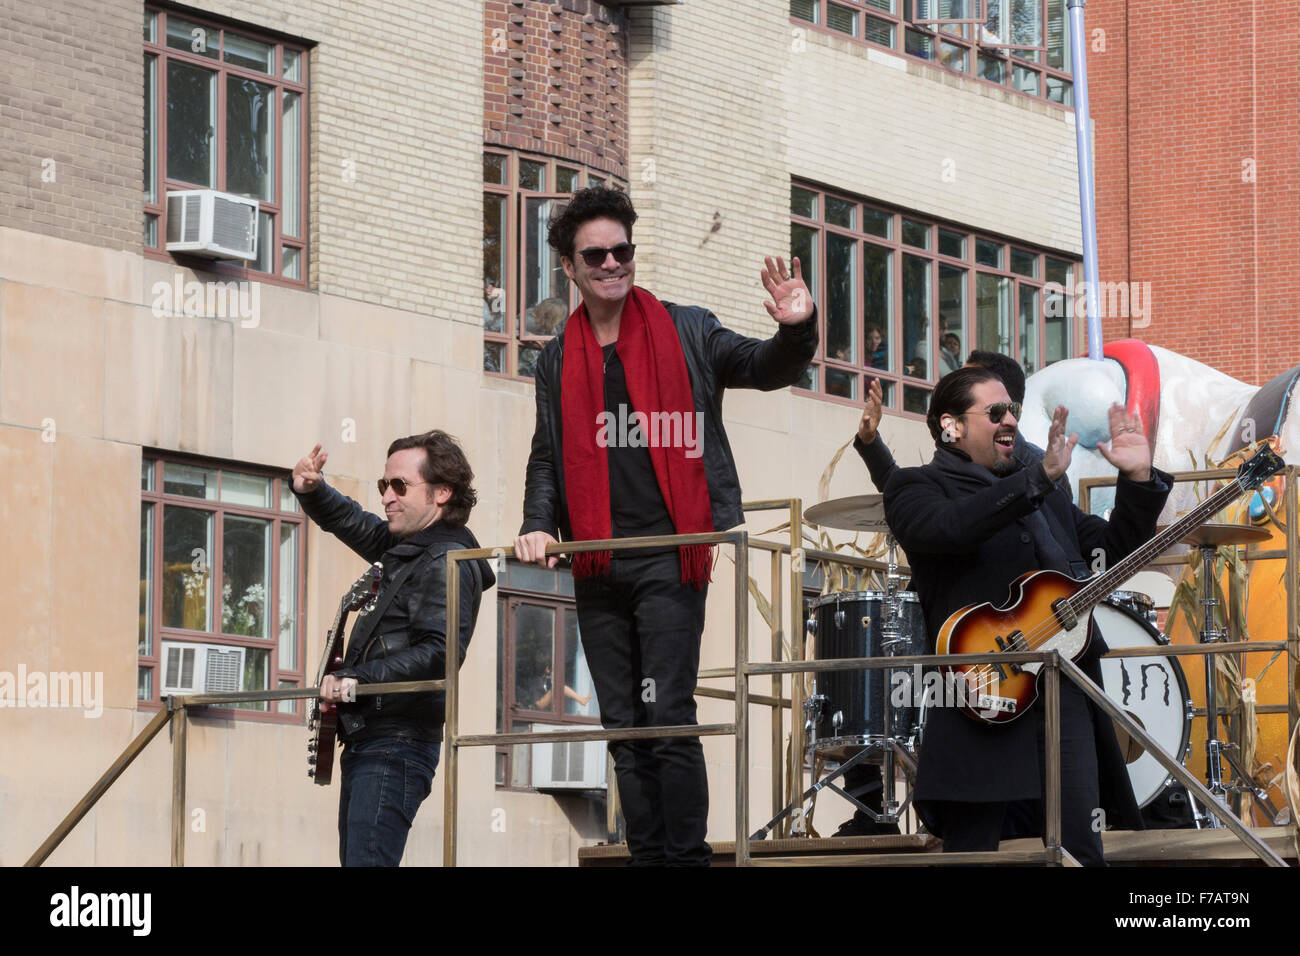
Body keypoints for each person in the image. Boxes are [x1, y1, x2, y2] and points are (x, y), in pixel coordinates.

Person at [513, 185, 817, 865]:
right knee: (622, 725)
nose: (613, 263)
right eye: (597, 254)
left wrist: (796, 328)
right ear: (569, 265)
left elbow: (764, 368)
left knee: (667, 715)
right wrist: (537, 524)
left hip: (672, 556)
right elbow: (547, 453)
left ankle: (686, 859)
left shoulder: (687, 329)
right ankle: (648, 856)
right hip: (598, 560)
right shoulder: (558, 357)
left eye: (623, 250)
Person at [881, 367, 1172, 864]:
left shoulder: (1042, 494)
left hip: (1062, 694)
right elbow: (950, 529)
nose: (1009, 419)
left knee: (1079, 848)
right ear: (950, 425)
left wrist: (1137, 478)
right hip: (980, 696)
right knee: (974, 852)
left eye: (1013, 409)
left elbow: (1108, 554)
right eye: (995, 412)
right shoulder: (915, 487)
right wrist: (1036, 480)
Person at [293, 430, 496, 866]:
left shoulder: (445, 561)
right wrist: (313, 491)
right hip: (376, 739)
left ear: (442, 493)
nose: (387, 496)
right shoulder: (413, 549)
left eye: (399, 486)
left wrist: (353, 678)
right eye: (383, 484)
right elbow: (356, 523)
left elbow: (441, 653)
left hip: (396, 743)